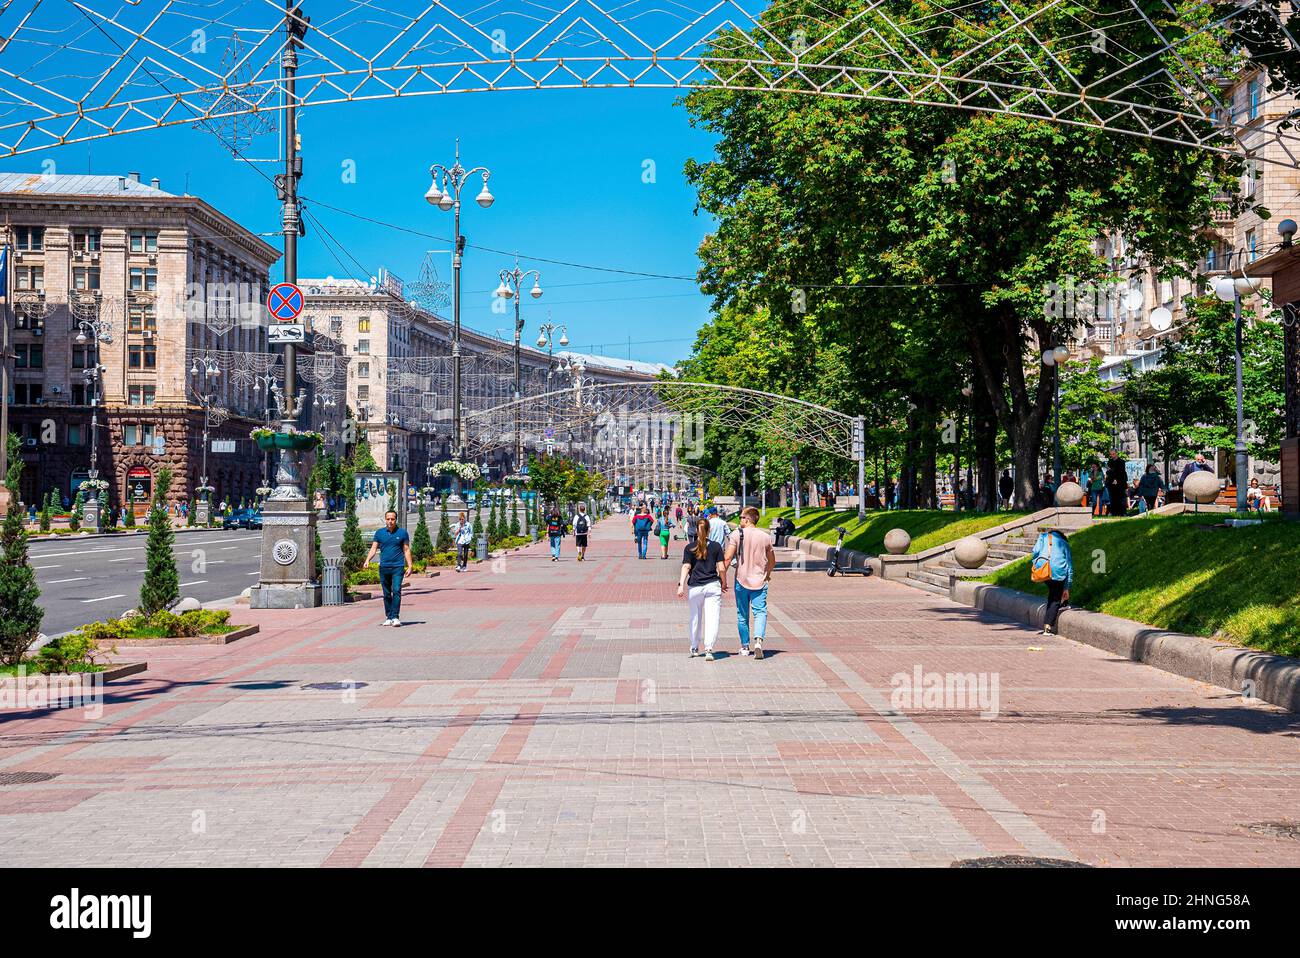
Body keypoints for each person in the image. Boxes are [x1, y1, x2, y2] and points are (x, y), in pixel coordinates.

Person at [724, 506, 776, 659]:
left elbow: (727, 558)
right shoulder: (764, 536)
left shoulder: (736, 535)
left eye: (741, 517)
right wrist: (768, 574)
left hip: (741, 580)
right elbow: (772, 560)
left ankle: (745, 646)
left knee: (742, 614)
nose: (739, 520)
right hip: (759, 580)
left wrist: (721, 577)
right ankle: (758, 641)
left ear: (747, 519)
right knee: (760, 612)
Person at [678, 517, 728, 660]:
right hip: (713, 585)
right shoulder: (716, 546)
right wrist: (724, 582)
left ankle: (694, 647)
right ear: (709, 530)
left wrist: (681, 585)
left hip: (695, 587)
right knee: (712, 618)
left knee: (695, 617)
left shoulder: (689, 548)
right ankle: (709, 649)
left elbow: (686, 566)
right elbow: (721, 568)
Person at [364, 509, 414, 627]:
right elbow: (374, 548)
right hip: (384, 567)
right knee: (386, 593)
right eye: (388, 519)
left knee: (396, 590)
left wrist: (410, 565)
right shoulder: (379, 533)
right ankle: (389, 616)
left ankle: (395, 617)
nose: (390, 521)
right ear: (385, 520)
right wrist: (367, 560)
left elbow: (406, 550)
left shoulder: (402, 533)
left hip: (398, 567)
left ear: (396, 520)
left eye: (392, 519)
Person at [1030, 527, 1073, 636]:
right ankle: (1047, 627)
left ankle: (1062, 602)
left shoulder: (1043, 537)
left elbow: (1034, 551)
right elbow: (1069, 567)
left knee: (1053, 592)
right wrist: (1067, 587)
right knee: (1055, 598)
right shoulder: (1064, 544)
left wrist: (1036, 563)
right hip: (1058, 571)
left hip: (1044, 569)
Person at [1104, 450, 1128, 516]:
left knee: (1121, 498)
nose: (1112, 456)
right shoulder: (1110, 462)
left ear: (1116, 454)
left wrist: (1115, 477)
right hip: (1111, 483)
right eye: (1111, 454)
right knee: (1113, 498)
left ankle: (1123, 512)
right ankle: (1114, 512)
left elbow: (1120, 472)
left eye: (1113, 454)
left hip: (1120, 483)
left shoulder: (1121, 462)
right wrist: (1111, 471)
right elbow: (1108, 472)